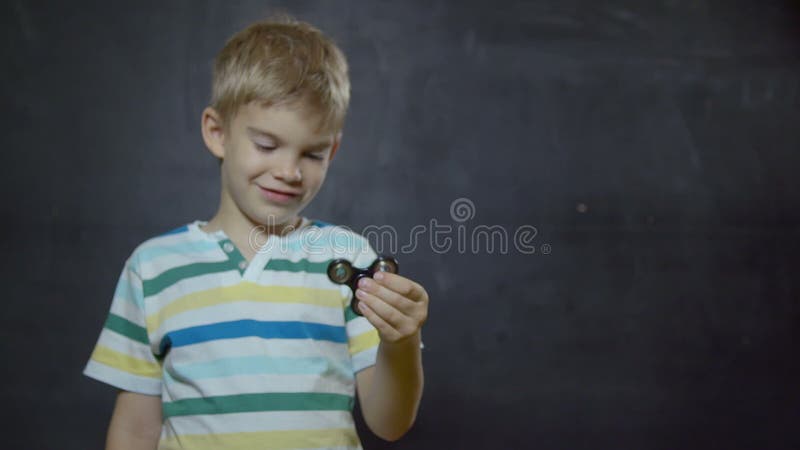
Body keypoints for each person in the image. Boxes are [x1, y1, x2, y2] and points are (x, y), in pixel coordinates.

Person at [83, 15, 428, 450]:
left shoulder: (348, 257)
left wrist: (402, 341)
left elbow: (389, 423)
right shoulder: (152, 269)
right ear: (217, 133)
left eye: (313, 154)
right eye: (266, 145)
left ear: (333, 151)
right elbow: (135, 429)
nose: (288, 172)